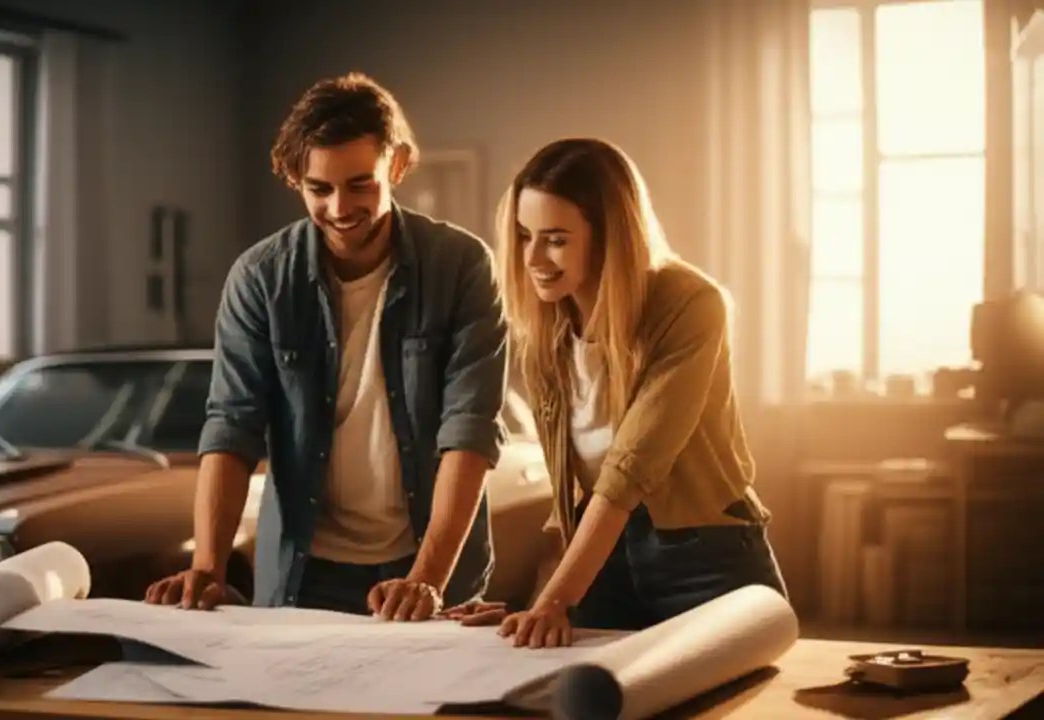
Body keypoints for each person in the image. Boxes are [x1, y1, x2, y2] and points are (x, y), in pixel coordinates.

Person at [143, 72, 508, 621]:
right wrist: (209, 569)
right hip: (305, 571)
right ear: (296, 178)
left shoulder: (461, 266)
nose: (340, 208)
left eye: (360, 185)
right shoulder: (261, 278)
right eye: (320, 190)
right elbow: (232, 426)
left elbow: (470, 428)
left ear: (397, 165)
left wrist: (427, 580)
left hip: (432, 562)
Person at [446, 138, 786, 647]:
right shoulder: (545, 327)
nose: (532, 257)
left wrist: (554, 600)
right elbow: (572, 500)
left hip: (706, 555)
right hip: (605, 559)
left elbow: (629, 469)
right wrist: (529, 605)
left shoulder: (692, 305)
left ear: (609, 237)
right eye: (523, 235)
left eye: (555, 240)